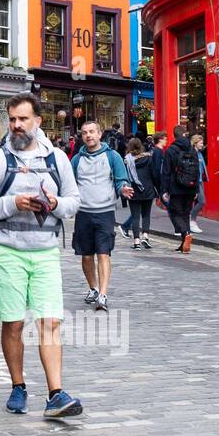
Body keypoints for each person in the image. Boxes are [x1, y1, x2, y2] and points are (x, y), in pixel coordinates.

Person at [0, 92, 84, 419]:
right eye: (12, 119)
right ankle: (18, 386)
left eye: (23, 119)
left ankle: (56, 394)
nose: (17, 125)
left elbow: (74, 202)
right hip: (7, 251)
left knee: (50, 321)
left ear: (38, 121)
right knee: (14, 323)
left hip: (45, 251)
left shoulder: (57, 159)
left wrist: (55, 203)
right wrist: (12, 203)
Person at [70, 121, 134, 312]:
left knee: (103, 253)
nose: (88, 135)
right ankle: (94, 288)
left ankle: (103, 295)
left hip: (105, 212)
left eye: (92, 132)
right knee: (86, 255)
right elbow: (69, 184)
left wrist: (123, 188)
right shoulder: (76, 160)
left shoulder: (112, 156)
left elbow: (121, 180)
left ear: (99, 134)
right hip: (83, 213)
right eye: (84, 133)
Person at [160, 126, 200, 253]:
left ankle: (185, 233)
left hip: (176, 187)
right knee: (186, 214)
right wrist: (197, 189)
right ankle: (184, 245)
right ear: (184, 134)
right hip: (191, 187)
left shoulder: (171, 150)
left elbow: (166, 172)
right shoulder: (192, 149)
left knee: (175, 213)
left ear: (174, 136)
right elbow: (197, 170)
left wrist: (164, 190)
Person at [123, 137, 161, 249]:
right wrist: (158, 188)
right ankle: (145, 236)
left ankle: (136, 242)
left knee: (135, 217)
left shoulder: (127, 161)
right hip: (147, 190)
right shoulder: (149, 158)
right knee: (146, 215)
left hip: (133, 190)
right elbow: (154, 174)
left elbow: (124, 177)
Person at [189, 134, 209, 233]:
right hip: (195, 181)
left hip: (200, 180)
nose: (202, 144)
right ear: (195, 143)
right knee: (202, 201)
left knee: (198, 202)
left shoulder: (200, 153)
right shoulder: (192, 154)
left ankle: (192, 221)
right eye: (201, 143)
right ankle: (191, 220)